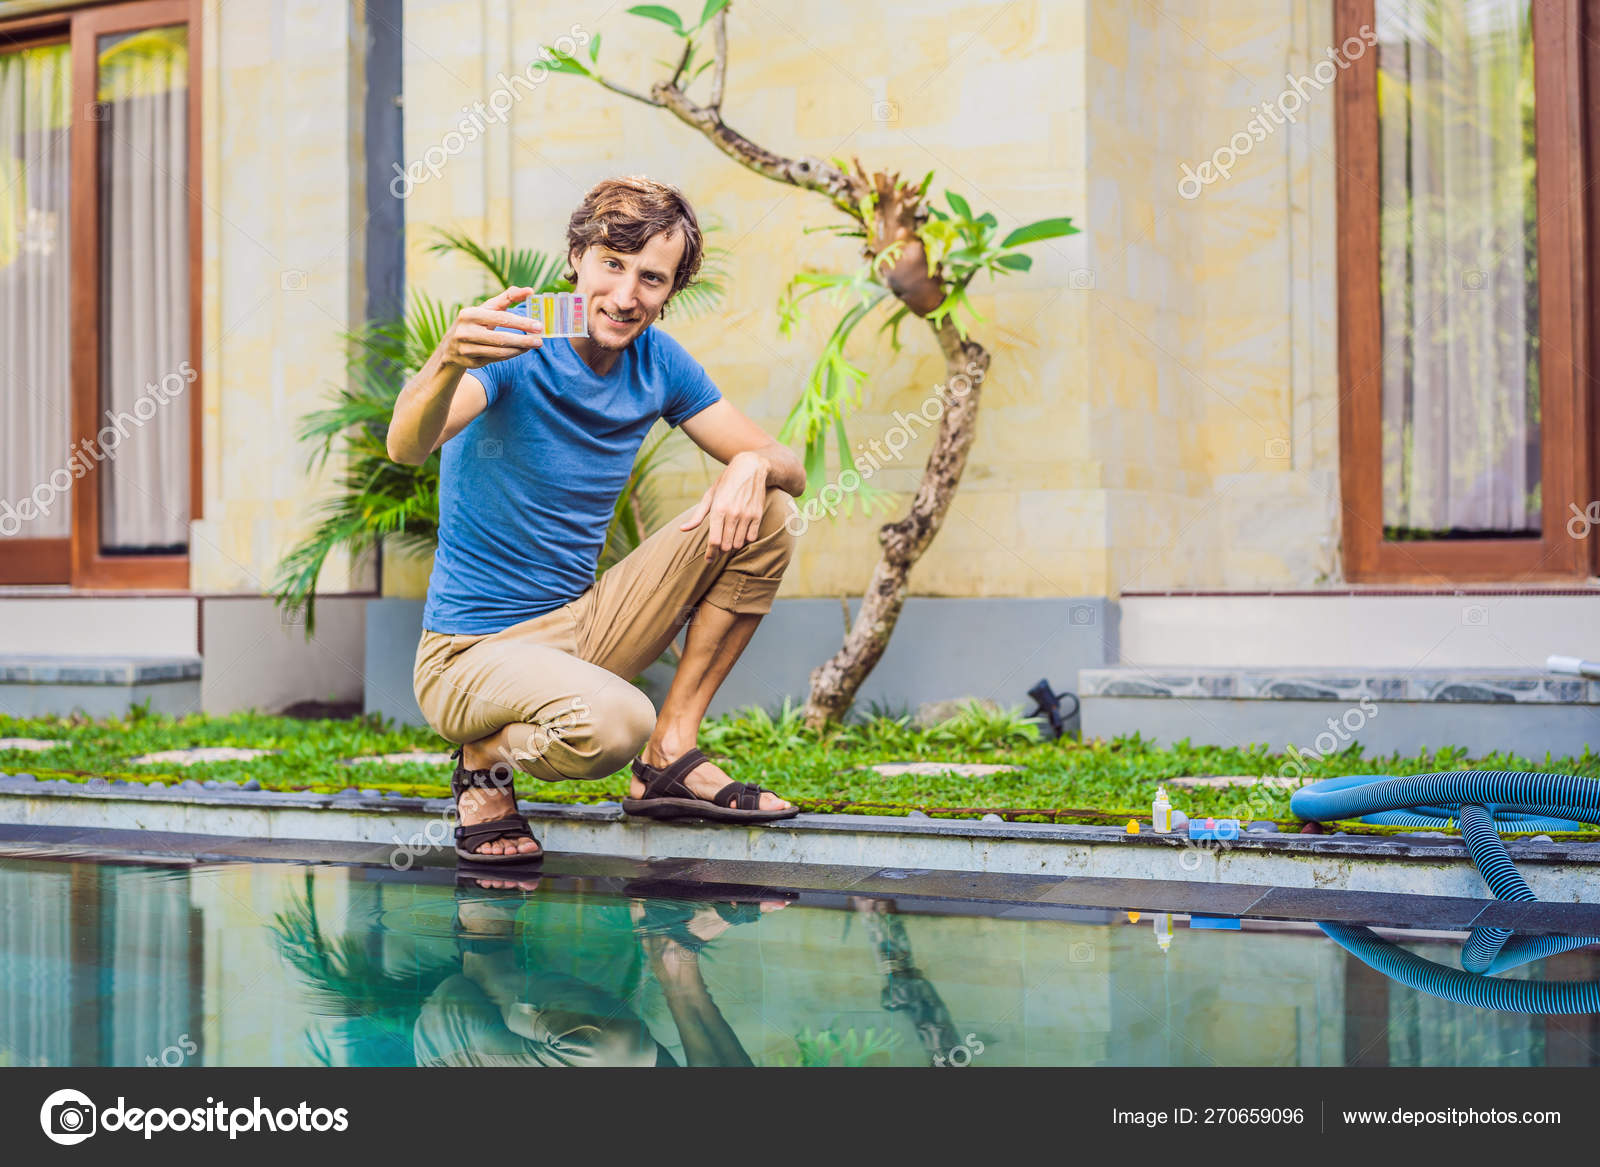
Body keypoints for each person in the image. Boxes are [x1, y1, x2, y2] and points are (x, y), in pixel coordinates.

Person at [388, 176, 805, 864]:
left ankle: (669, 751)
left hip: (580, 628)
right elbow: (406, 445)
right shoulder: (517, 344)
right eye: (612, 263)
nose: (626, 294)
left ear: (671, 291)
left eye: (651, 277)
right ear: (578, 256)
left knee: (772, 512)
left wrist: (753, 467)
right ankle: (483, 760)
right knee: (616, 722)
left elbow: (781, 459)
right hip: (467, 655)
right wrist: (445, 360)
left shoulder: (658, 363)